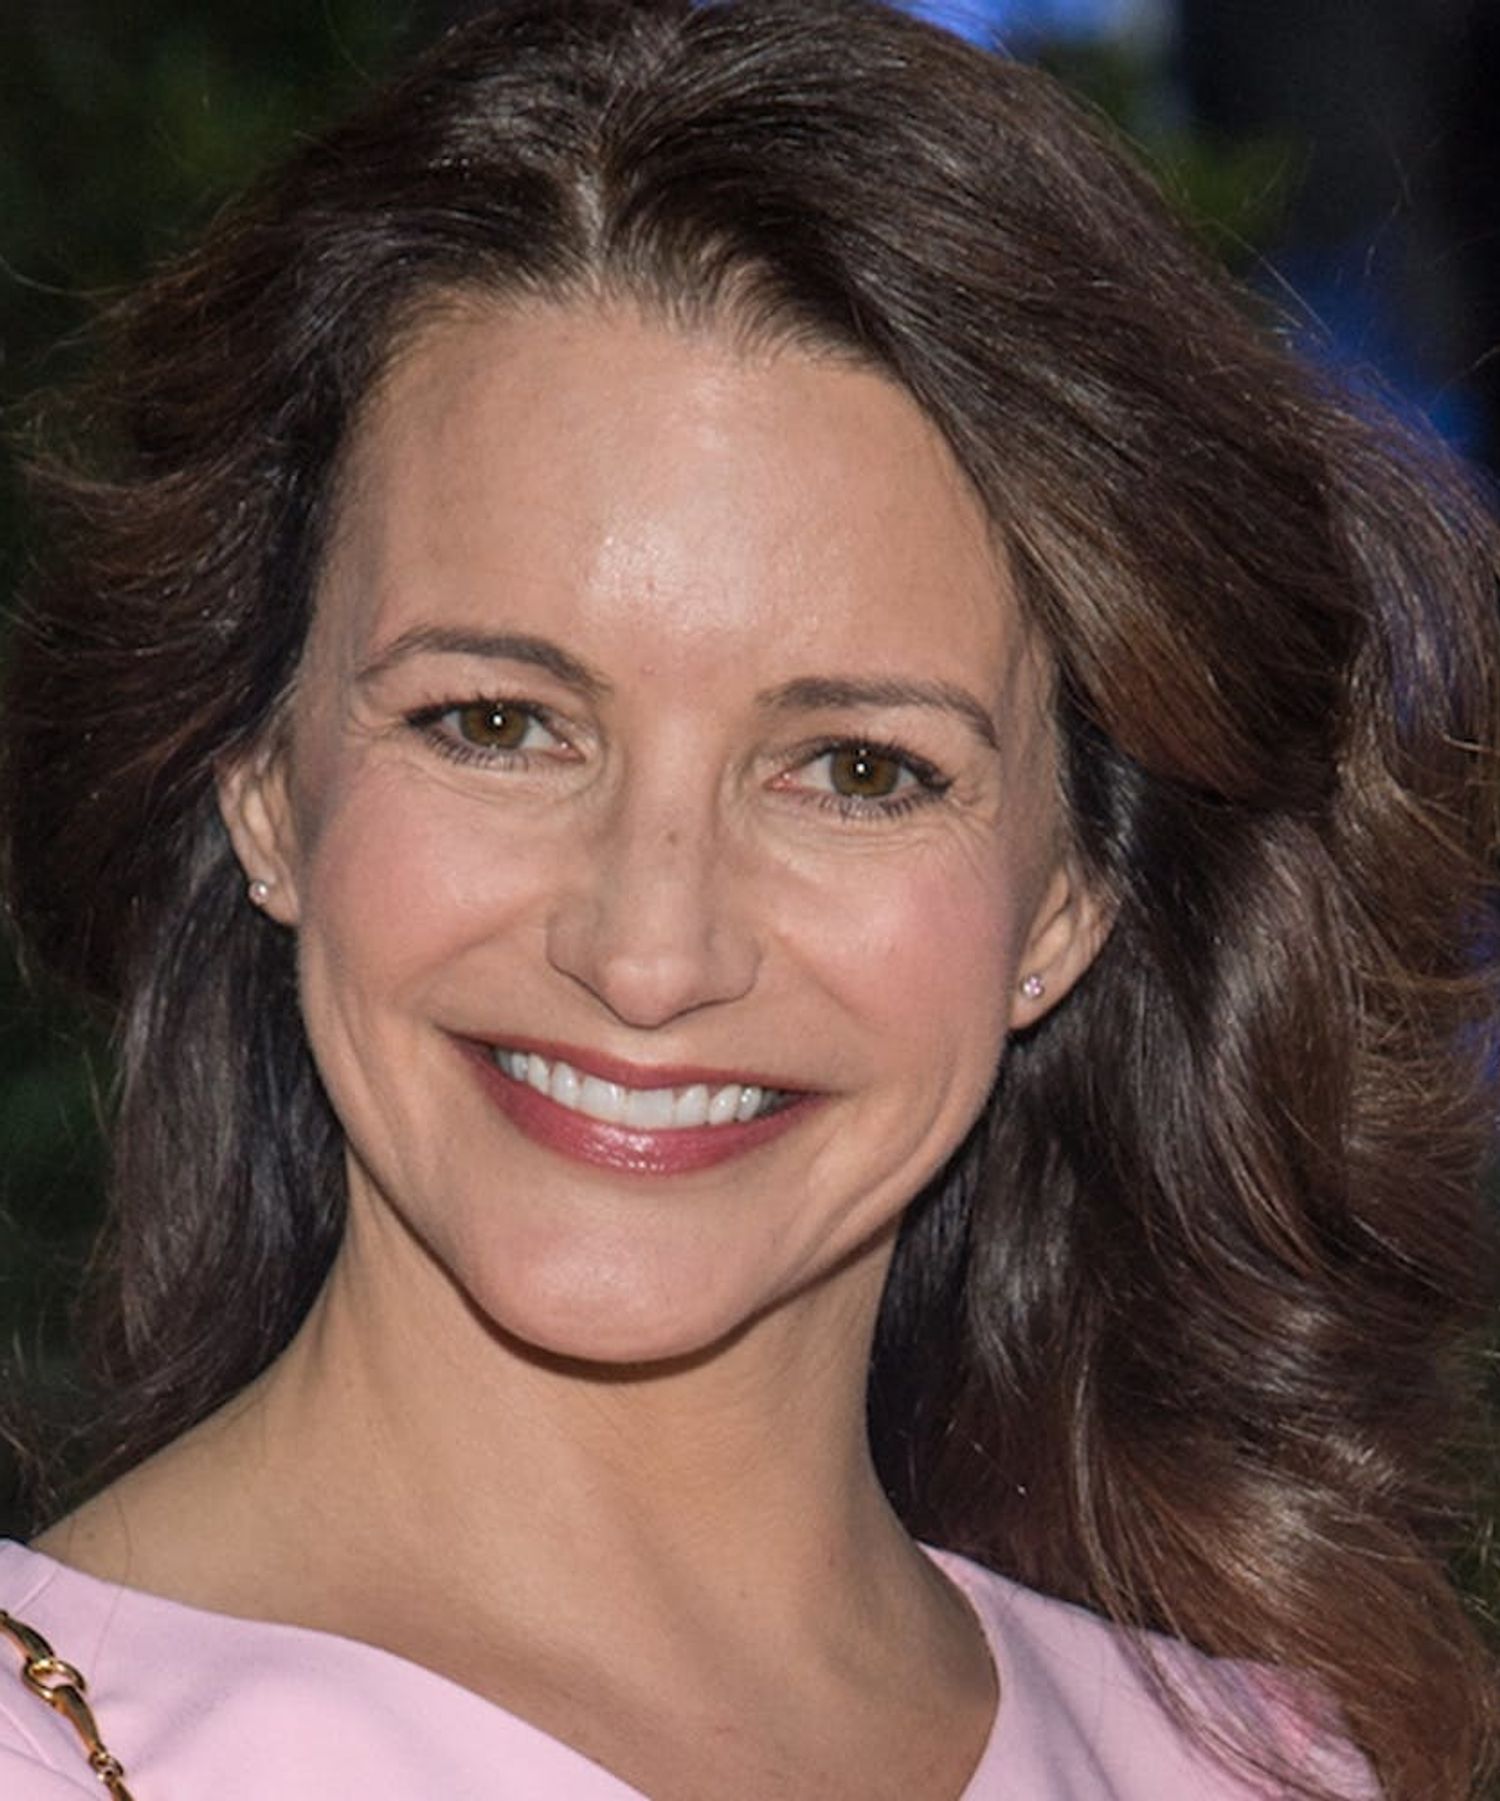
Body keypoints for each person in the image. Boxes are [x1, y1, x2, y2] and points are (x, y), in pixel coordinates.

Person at [0, 1, 1495, 1795]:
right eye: (498, 723)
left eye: (858, 768)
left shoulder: (1272, 1768)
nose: (651, 952)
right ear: (264, 785)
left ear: (1067, 901)